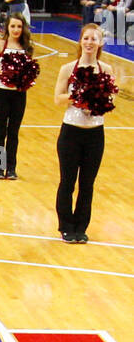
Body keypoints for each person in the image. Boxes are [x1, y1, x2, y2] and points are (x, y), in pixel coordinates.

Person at [53, 24, 116, 243]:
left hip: (95, 134)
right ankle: (66, 226)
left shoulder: (106, 69)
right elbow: (57, 98)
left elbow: (110, 99)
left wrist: (97, 102)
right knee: (67, 181)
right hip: (71, 132)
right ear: (80, 41)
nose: (89, 42)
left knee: (87, 183)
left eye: (94, 39)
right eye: (86, 38)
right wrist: (79, 97)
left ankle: (81, 226)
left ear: (100, 43)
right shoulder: (68, 68)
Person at [0, 15, 39, 179]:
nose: (16, 30)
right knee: (0, 130)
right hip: (1, 92)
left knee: (14, 132)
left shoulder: (27, 47)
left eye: (19, 26)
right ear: (7, 28)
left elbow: (30, 70)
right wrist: (7, 71)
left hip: (19, 94)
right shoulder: (0, 45)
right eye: (13, 26)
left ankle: (11, 168)